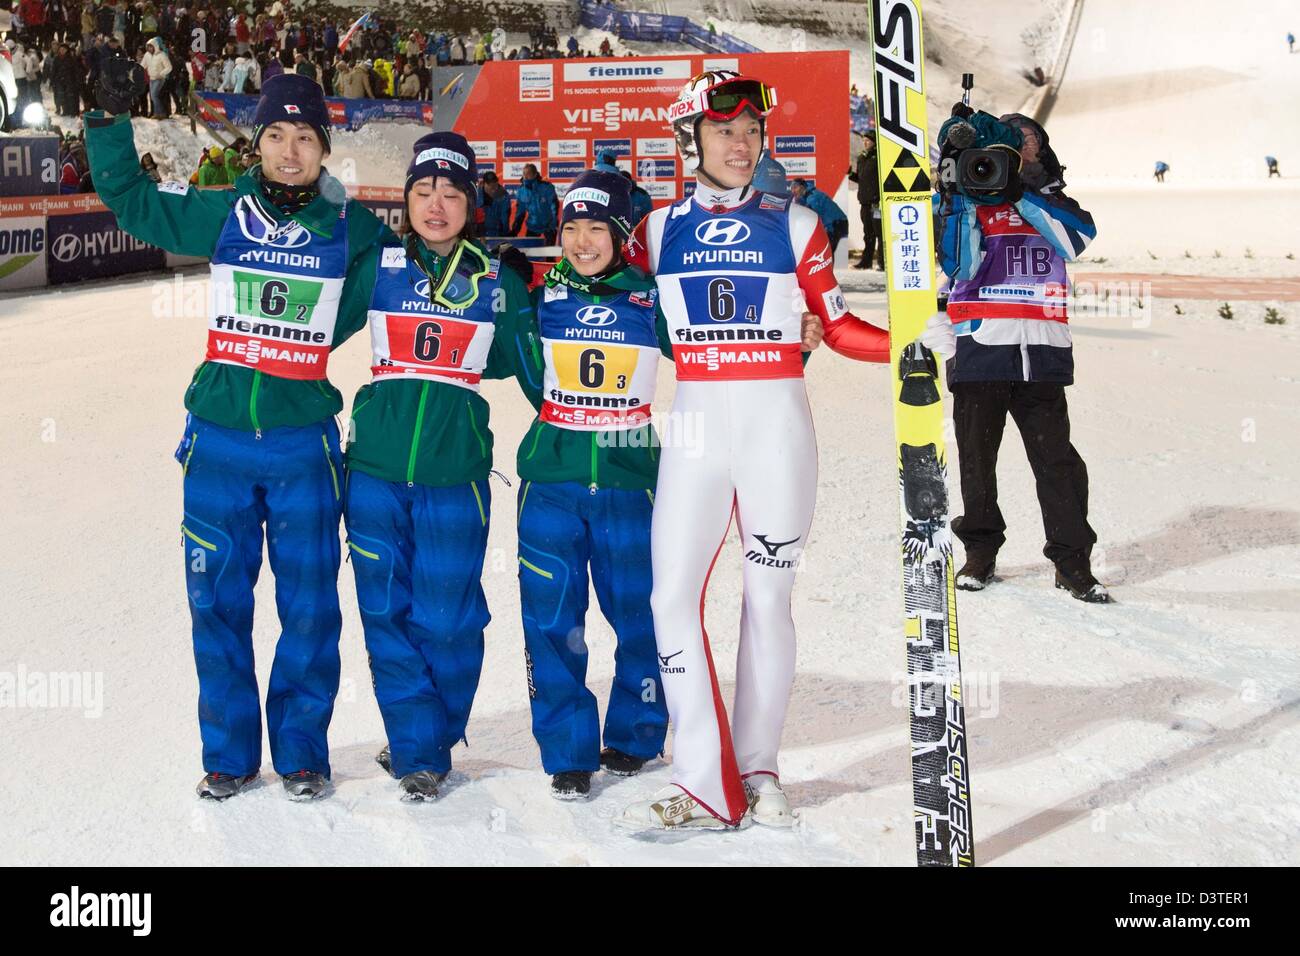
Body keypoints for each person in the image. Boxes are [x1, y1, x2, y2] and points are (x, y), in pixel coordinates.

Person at [84, 68, 389, 801]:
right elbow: (132, 202)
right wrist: (105, 121)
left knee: (310, 604)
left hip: (303, 442)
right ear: (259, 142)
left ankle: (302, 753)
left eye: (305, 136)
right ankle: (227, 753)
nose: (290, 151)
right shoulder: (224, 209)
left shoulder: (354, 226)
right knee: (216, 600)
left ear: (324, 145)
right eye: (277, 135)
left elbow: (381, 293)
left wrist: (306, 352)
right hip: (218, 438)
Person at [618, 71, 891, 831]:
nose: (742, 144)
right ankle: (705, 781)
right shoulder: (656, 229)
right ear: (690, 139)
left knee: (767, 600)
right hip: (697, 427)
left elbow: (836, 327)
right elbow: (595, 278)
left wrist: (911, 341)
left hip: (776, 426)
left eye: (751, 132)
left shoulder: (799, 225)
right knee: (670, 598)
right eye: (724, 131)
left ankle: (759, 768)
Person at [342, 133, 545, 801]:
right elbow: (311, 323)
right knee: (385, 613)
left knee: (450, 617)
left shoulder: (497, 282)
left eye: (452, 193)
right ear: (407, 199)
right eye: (424, 191)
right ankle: (418, 747)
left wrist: (549, 302)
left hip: (456, 474)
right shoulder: (377, 266)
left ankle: (428, 730)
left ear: (469, 205)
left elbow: (541, 375)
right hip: (372, 468)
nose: (437, 204)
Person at [513, 170, 670, 799]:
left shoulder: (653, 299)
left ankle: (634, 733)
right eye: (571, 227)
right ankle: (568, 750)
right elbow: (520, 368)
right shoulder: (538, 296)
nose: (581, 240)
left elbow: (717, 353)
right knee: (552, 620)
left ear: (621, 234)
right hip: (552, 480)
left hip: (632, 480)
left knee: (641, 616)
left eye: (596, 228)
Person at [926, 108, 1107, 603]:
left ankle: (1073, 563)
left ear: (1041, 149)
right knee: (977, 462)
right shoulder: (964, 200)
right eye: (1013, 140)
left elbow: (1077, 240)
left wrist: (1019, 194)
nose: (1023, 146)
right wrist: (960, 190)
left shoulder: (1053, 202)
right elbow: (957, 263)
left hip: (1042, 355)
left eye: (1030, 138)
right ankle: (980, 553)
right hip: (981, 347)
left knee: (1057, 462)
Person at [848, 132, 884, 269]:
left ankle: (882, 262)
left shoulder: (880, 157)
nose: (865, 143)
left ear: (874, 142)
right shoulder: (861, 158)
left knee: (879, 233)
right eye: (864, 140)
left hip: (877, 202)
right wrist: (850, 174)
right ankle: (866, 262)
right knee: (868, 233)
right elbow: (861, 179)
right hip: (865, 202)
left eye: (868, 140)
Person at [790, 177, 850, 260]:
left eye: (795, 187)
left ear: (802, 187)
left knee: (826, 250)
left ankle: (826, 270)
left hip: (836, 224)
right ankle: (826, 269)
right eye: (791, 188)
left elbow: (815, 216)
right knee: (825, 249)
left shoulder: (812, 197)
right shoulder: (808, 196)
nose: (793, 191)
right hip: (836, 223)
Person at [511, 163, 559, 245]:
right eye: (524, 173)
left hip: (548, 226)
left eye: (528, 174)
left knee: (549, 254)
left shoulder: (547, 187)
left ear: (535, 174)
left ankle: (550, 258)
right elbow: (520, 213)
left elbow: (554, 206)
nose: (525, 176)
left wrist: (553, 224)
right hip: (532, 226)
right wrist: (515, 231)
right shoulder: (521, 191)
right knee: (529, 252)